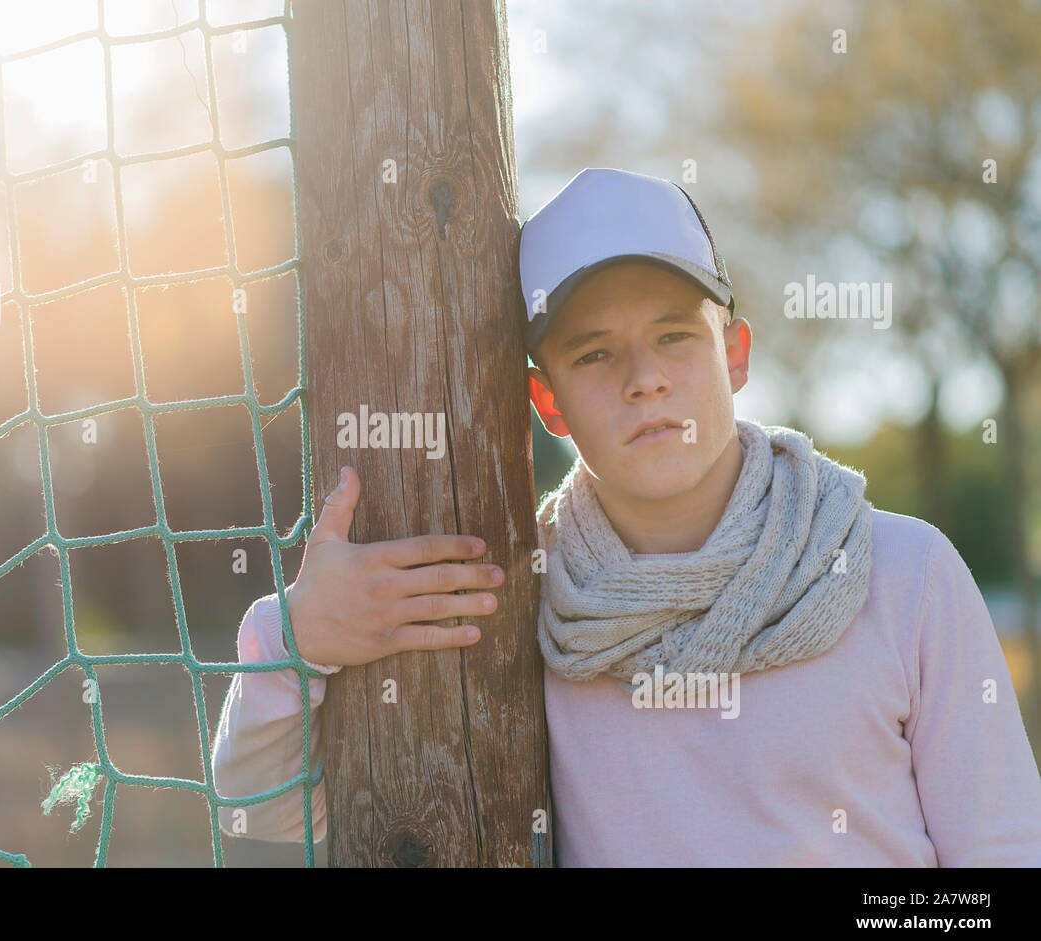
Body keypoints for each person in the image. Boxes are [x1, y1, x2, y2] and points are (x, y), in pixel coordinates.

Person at [210, 167, 1041, 865]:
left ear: (736, 353)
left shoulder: (902, 571)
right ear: (548, 402)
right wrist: (298, 635)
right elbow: (259, 808)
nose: (644, 378)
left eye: (676, 336)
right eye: (595, 352)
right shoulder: (516, 594)